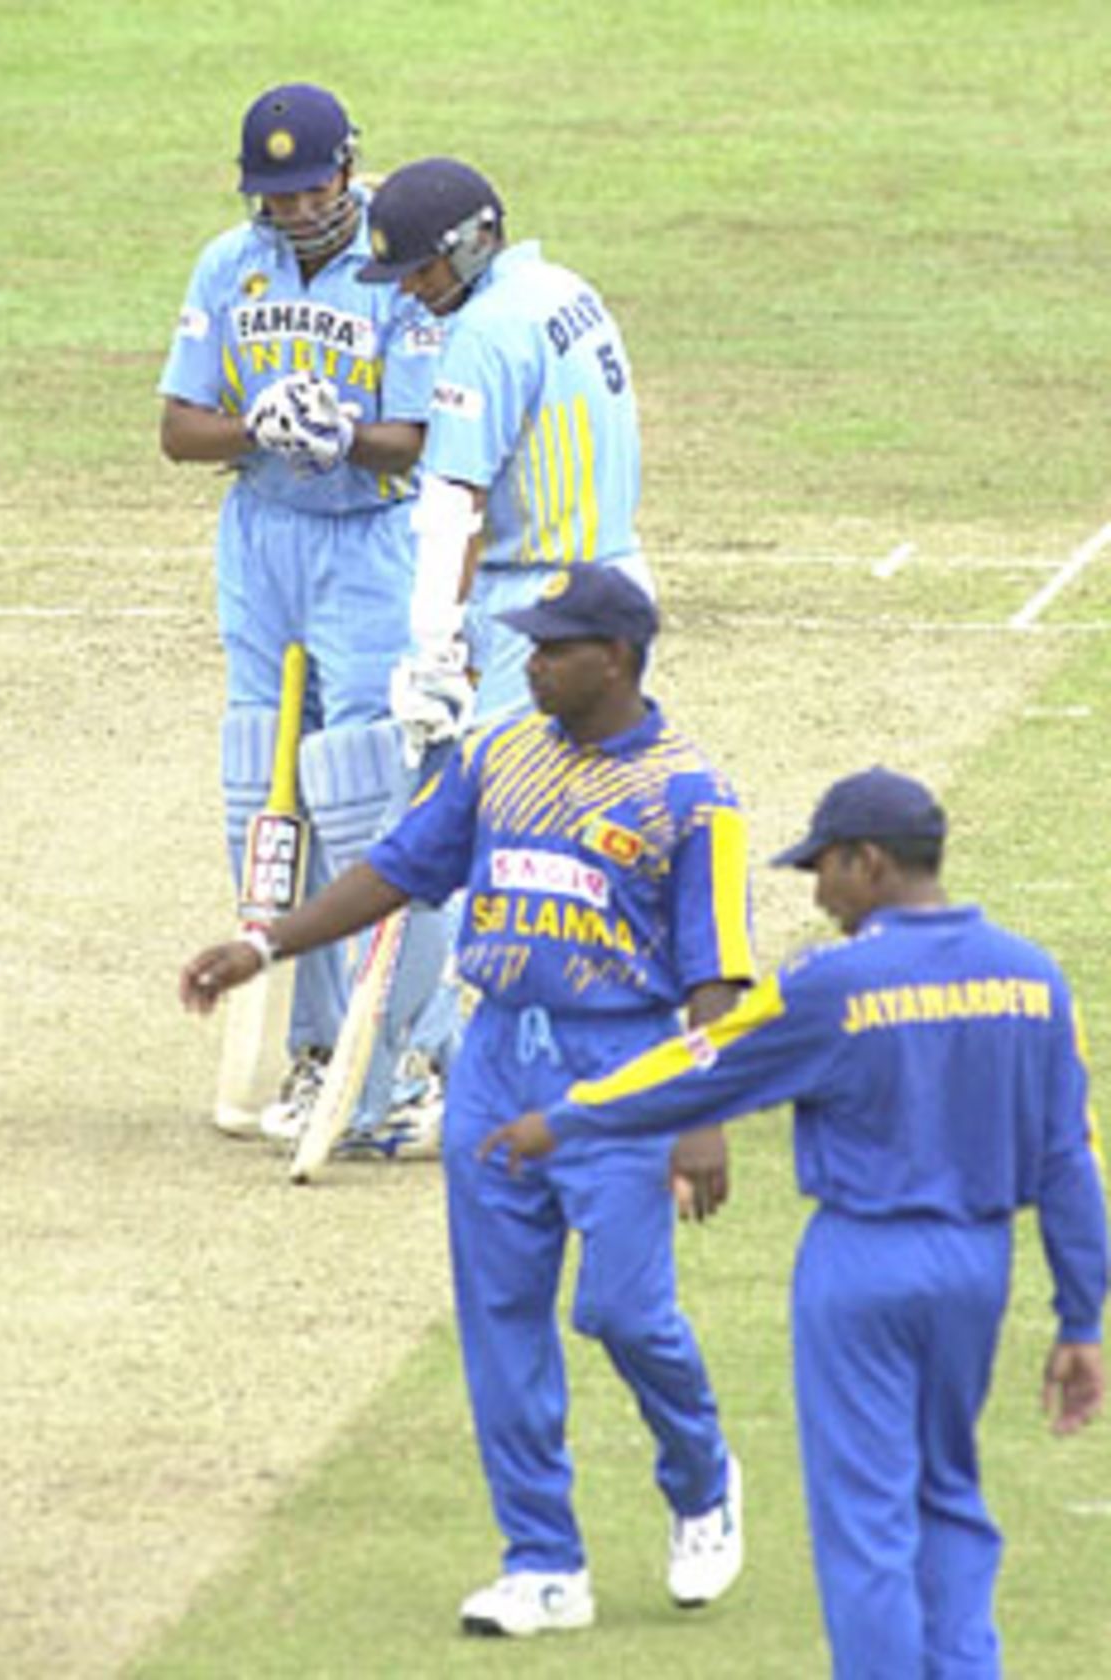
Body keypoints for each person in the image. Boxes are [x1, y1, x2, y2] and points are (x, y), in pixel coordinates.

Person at [180, 568, 757, 1635]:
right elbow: (400, 870)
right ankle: (544, 1561)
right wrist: (262, 945)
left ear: (616, 660)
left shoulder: (691, 797)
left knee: (624, 1311)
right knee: (501, 1317)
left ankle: (702, 1477)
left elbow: (715, 975)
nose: (530, 662)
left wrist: (703, 1115)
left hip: (619, 1073)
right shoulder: (501, 755)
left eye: (554, 649)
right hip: (497, 1056)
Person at [484, 767, 1108, 1677]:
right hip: (975, 1267)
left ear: (871, 862)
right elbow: (1069, 1160)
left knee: (865, 1516)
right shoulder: (1033, 980)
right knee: (949, 1493)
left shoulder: (830, 981)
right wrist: (1082, 1317)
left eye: (824, 869)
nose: (818, 896)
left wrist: (565, 1118)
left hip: (860, 1262)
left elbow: (700, 1062)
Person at [157, 82, 450, 1154]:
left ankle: (417, 1052)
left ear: (347, 165)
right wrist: (260, 427)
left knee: (368, 800)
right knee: (265, 807)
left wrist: (341, 432)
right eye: (272, 195)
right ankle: (323, 1046)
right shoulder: (226, 263)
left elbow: (418, 436)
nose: (292, 210)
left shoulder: (400, 256)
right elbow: (179, 431)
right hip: (262, 543)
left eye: (309, 187)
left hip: (370, 545)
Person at [355, 154, 653, 753]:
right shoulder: (563, 288)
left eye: (423, 271)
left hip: (541, 602)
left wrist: (433, 652)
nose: (411, 289)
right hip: (616, 582)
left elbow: (451, 505)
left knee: (504, 802)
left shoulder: (484, 332)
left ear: (469, 245)